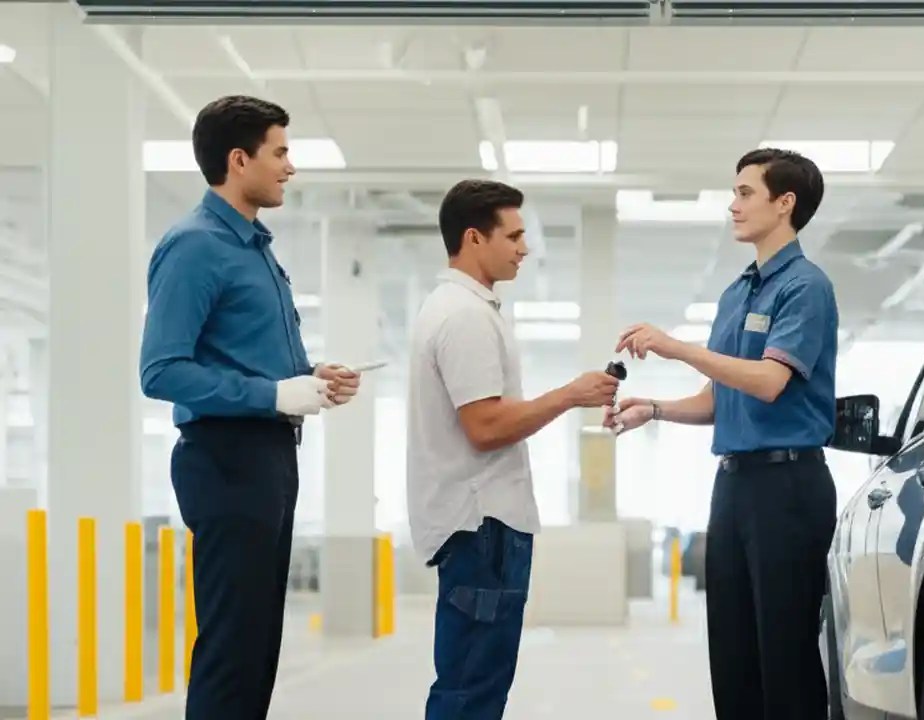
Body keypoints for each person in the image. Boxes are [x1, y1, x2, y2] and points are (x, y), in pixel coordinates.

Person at [139, 95, 363, 720]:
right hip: (226, 459)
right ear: (239, 160)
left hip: (266, 458)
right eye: (280, 152)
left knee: (259, 644)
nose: (290, 167)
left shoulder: (255, 248)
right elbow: (160, 370)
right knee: (233, 646)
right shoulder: (194, 246)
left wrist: (310, 378)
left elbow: (251, 359)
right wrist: (270, 394)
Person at [607, 148, 838, 720]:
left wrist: (677, 346)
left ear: (785, 204)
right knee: (732, 657)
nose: (733, 205)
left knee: (784, 657)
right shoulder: (739, 293)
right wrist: (654, 409)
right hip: (733, 486)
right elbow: (720, 397)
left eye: (745, 193)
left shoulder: (805, 288)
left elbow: (767, 382)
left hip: (788, 486)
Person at [407, 179, 620, 720]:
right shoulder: (464, 316)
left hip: (483, 526)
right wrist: (570, 395)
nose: (525, 247)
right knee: (471, 687)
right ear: (474, 238)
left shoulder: (468, 309)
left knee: (475, 681)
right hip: (482, 527)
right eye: (515, 235)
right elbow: (484, 424)